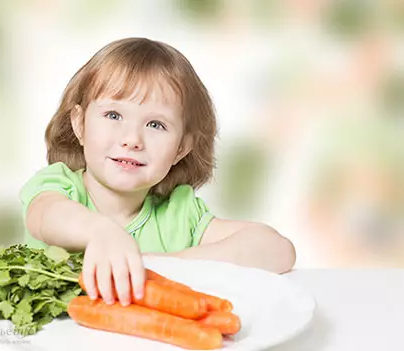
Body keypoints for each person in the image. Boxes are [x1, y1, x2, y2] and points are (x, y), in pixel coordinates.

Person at [19, 37, 296, 307]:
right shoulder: (58, 187)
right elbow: (46, 216)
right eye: (114, 115)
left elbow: (279, 250)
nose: (132, 139)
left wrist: (161, 265)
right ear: (79, 124)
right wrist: (101, 232)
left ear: (181, 148)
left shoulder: (178, 214)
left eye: (155, 125)